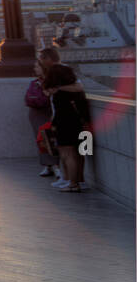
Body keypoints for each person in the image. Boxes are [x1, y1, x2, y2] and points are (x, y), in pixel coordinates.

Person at [39, 47, 90, 192]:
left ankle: (72, 183)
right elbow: (79, 87)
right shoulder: (68, 72)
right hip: (79, 119)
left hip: (63, 120)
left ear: (48, 59)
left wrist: (54, 89)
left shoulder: (55, 75)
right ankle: (80, 181)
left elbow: (47, 92)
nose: (41, 62)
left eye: (42, 59)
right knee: (80, 152)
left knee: (67, 152)